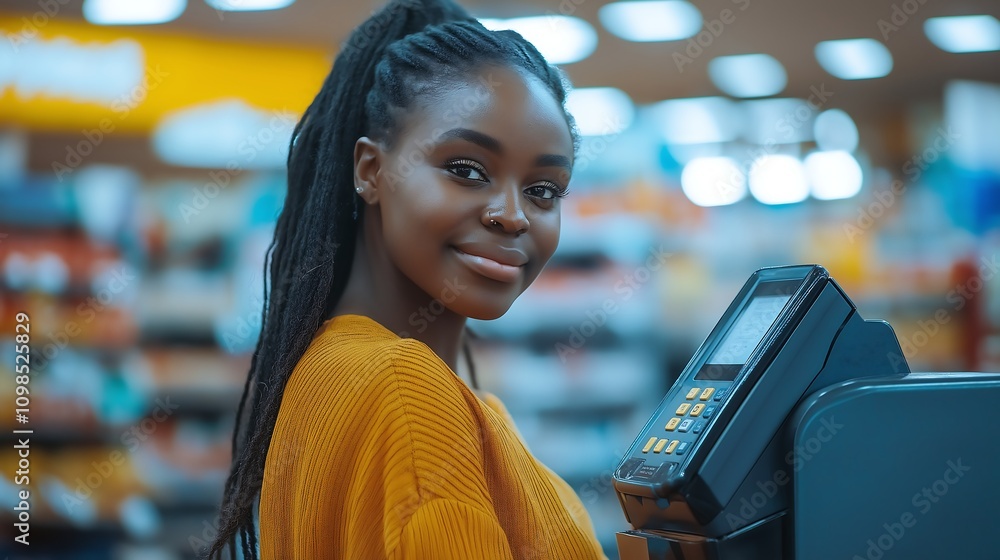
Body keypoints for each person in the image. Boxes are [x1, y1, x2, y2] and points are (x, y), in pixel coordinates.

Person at [207, 0, 608, 558]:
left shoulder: (325, 371)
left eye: (545, 189)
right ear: (370, 170)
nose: (513, 214)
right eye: (467, 170)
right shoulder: (406, 393)